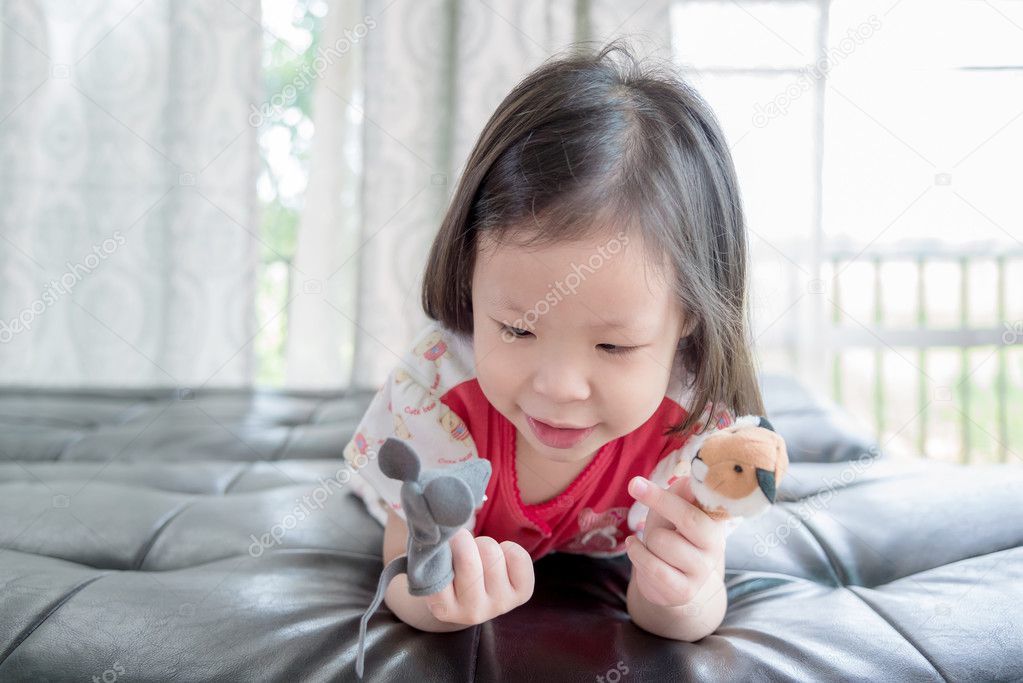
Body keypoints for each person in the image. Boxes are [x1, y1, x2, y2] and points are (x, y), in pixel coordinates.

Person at [343, 38, 765, 642]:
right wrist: (439, 597)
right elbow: (405, 574)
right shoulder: (434, 396)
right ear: (470, 277)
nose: (558, 388)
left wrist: (682, 591)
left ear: (690, 318)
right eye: (516, 329)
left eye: (614, 347)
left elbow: (680, 612)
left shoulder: (694, 432)